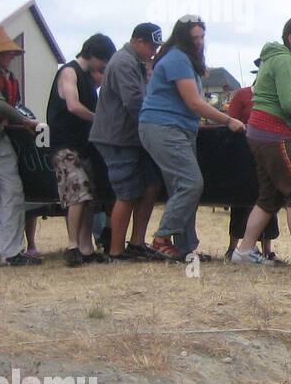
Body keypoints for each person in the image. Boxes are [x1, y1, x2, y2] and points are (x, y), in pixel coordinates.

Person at [138, 15, 245, 259]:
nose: (198, 42)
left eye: (201, 37)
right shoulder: (177, 59)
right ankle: (162, 238)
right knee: (190, 183)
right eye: (194, 38)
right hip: (165, 127)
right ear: (182, 37)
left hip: (175, 127)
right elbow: (194, 102)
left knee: (181, 186)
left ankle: (184, 248)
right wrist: (228, 120)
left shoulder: (181, 59)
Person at [230, 16, 291, 270]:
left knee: (269, 196)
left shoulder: (272, 58)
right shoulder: (285, 61)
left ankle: (244, 250)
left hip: (258, 131)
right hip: (274, 132)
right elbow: (289, 102)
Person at [89, 23, 165, 262]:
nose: (153, 51)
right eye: (151, 45)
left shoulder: (135, 62)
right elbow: (133, 102)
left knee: (150, 186)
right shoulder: (123, 62)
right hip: (118, 138)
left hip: (131, 137)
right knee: (127, 193)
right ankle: (116, 251)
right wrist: (153, 127)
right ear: (138, 41)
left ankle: (137, 243)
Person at [46, 33, 115, 265]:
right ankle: (72, 245)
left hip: (83, 147)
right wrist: (99, 119)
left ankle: (86, 249)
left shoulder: (87, 79)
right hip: (64, 146)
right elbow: (73, 105)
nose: (105, 66)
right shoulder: (69, 72)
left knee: (88, 199)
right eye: (104, 60)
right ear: (94, 55)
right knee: (78, 193)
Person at [0, 25, 43, 265]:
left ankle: (10, 253)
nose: (11, 56)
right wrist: (25, 120)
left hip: (0, 138)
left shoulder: (8, 78)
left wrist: (19, 124)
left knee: (12, 193)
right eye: (7, 52)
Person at [224, 62, 282, 263]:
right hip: (244, 155)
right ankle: (234, 247)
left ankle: (267, 249)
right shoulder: (242, 95)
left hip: (268, 154)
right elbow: (231, 123)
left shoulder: (278, 96)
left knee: (268, 198)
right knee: (241, 201)